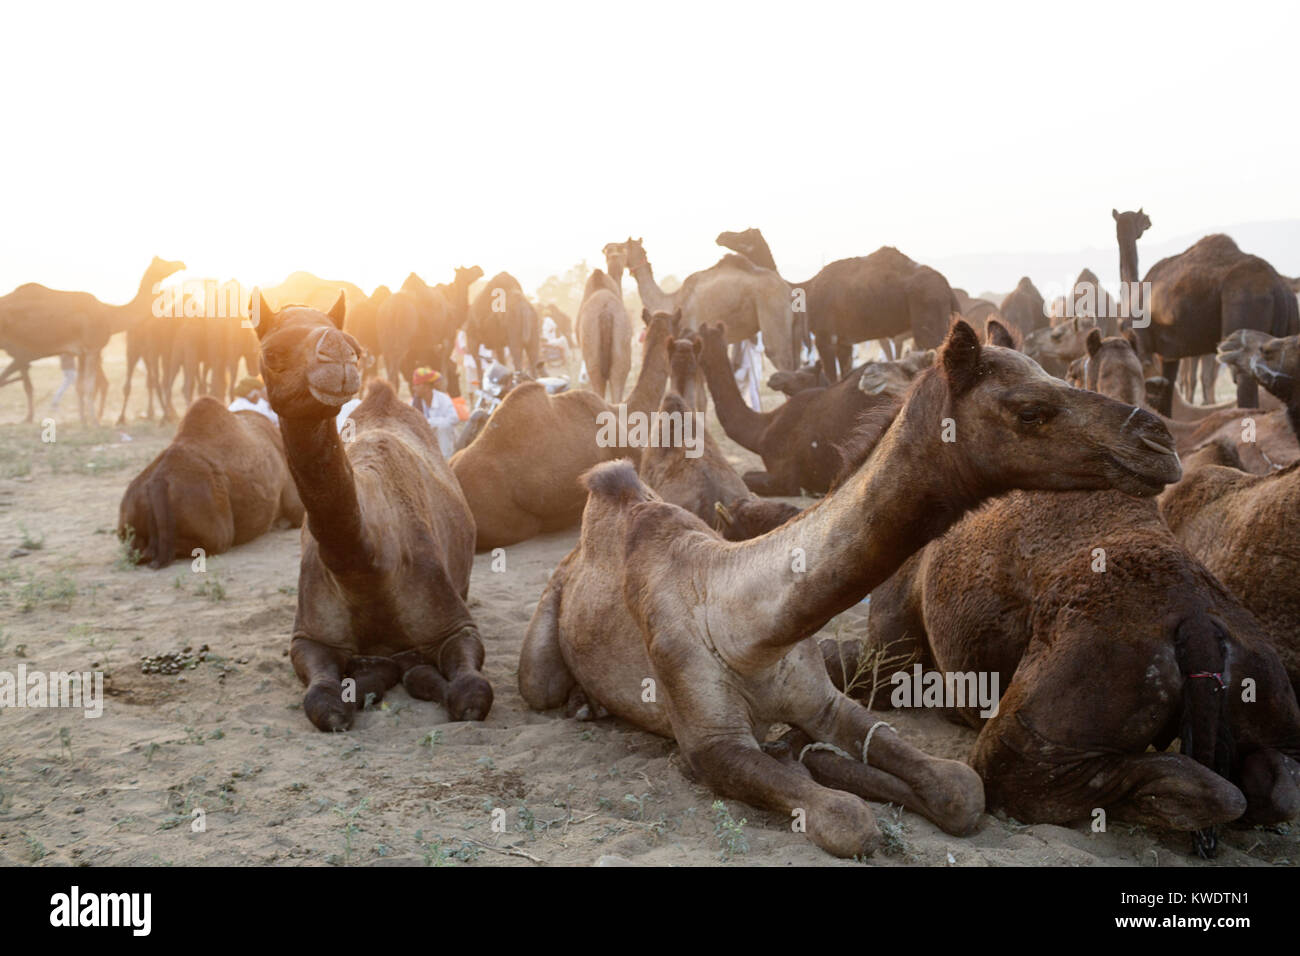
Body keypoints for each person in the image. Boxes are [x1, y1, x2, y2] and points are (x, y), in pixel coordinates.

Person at [411, 366, 459, 458]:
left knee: (443, 427)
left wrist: (430, 423)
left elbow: (454, 419)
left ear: (426, 387)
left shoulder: (443, 399)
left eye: (417, 385)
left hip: (445, 440)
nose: (414, 388)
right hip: (426, 442)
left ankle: (446, 462)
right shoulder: (415, 402)